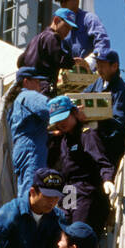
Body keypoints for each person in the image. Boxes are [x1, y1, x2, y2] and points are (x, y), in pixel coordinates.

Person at [48, 95, 112, 236]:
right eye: (57, 121)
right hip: (69, 190)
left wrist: (107, 179)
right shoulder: (64, 140)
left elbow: (101, 160)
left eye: (64, 118)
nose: (61, 123)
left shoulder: (87, 134)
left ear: (74, 113)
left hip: (85, 190)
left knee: (78, 231)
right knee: (64, 229)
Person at [8, 70, 52, 198]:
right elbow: (52, 108)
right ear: (26, 82)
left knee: (24, 190)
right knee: (32, 190)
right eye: (37, 81)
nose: (40, 86)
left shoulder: (16, 102)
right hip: (32, 148)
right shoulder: (29, 96)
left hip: (21, 148)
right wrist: (73, 109)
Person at [91, 49, 125, 178]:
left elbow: (117, 122)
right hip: (95, 145)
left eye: (102, 66)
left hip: (110, 149)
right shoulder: (98, 82)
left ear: (114, 66)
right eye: (98, 65)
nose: (99, 69)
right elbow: (84, 96)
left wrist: (97, 118)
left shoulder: (122, 91)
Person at [56, 0, 111, 70]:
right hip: (74, 76)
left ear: (77, 0)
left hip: (94, 75)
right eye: (61, 1)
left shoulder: (89, 19)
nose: (63, 4)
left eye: (66, 0)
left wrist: (91, 61)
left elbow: (103, 42)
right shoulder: (62, 26)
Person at [17, 11, 75, 89]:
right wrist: (75, 62)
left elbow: (20, 61)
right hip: (44, 87)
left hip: (29, 87)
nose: (67, 32)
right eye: (66, 27)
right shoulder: (52, 37)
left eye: (70, 29)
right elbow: (61, 60)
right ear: (56, 20)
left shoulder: (35, 39)